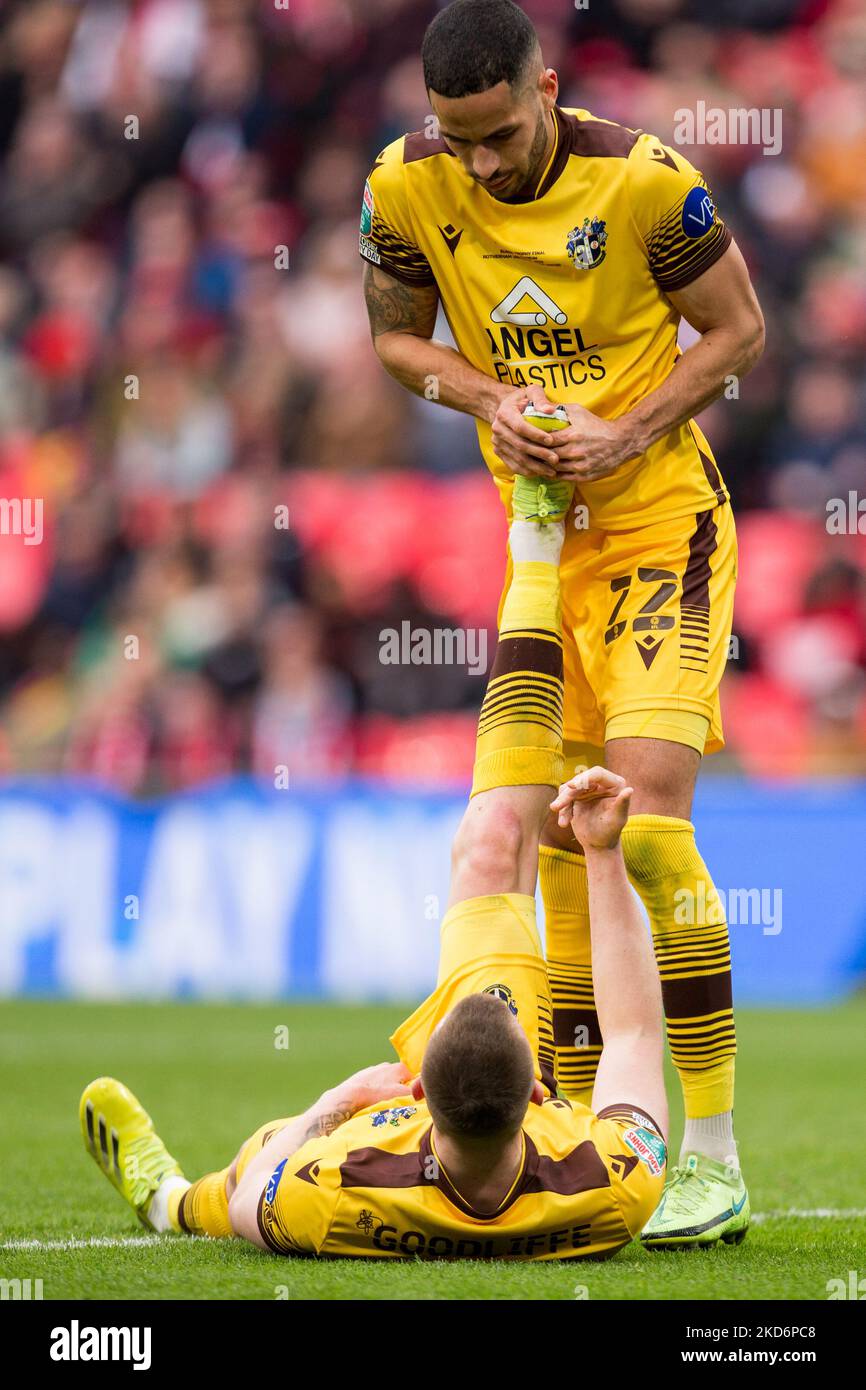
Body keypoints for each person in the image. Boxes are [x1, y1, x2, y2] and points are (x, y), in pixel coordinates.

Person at [360, 0, 762, 1245]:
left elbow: (739, 330)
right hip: (541, 544)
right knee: (553, 839)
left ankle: (711, 1152)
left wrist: (622, 429)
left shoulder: (645, 184)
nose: (477, 163)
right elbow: (392, 338)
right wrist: (485, 396)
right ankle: (588, 1120)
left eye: (495, 133)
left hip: (658, 535)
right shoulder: (402, 187)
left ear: (545, 86)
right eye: (453, 136)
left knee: (642, 832)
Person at [81, 481, 692, 1260]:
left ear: (416, 1094)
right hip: (512, 1160)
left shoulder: (333, 1192)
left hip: (390, 1164)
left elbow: (253, 1193)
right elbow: (636, 1034)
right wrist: (601, 851)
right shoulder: (611, 1181)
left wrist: (337, 1103)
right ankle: (539, 552)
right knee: (494, 840)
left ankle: (166, 1200)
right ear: (540, 1095)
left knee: (491, 841)